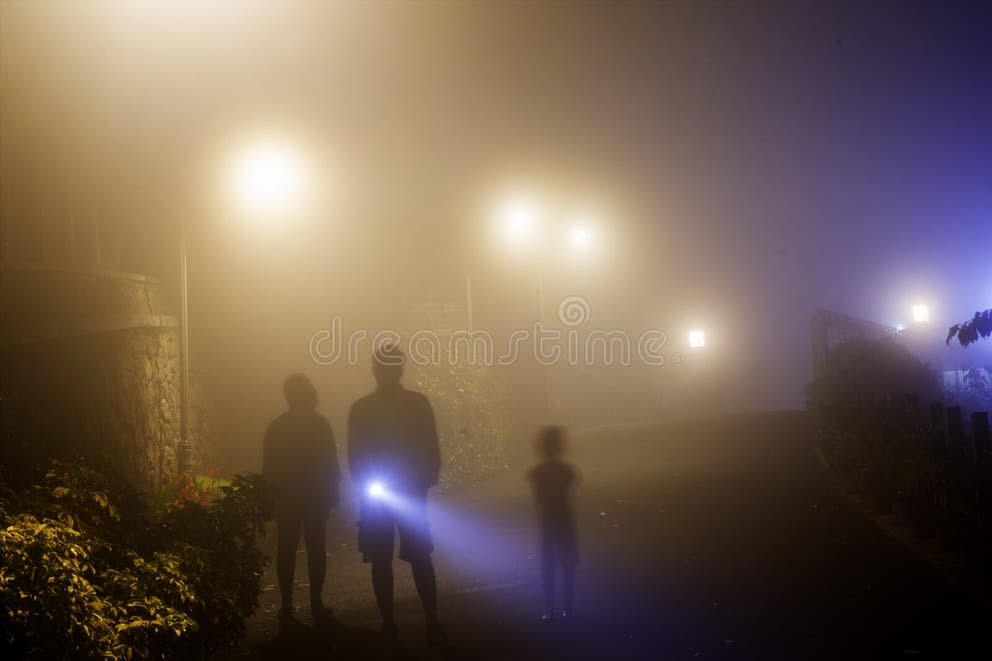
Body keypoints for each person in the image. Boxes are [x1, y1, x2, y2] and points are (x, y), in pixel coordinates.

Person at [347, 345, 446, 647]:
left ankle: (399, 623)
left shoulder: (362, 408)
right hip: (405, 488)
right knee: (413, 556)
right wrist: (427, 477)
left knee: (391, 557)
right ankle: (424, 620)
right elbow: (430, 444)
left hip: (391, 489)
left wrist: (363, 482)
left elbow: (355, 452)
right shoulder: (415, 403)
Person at [262, 373, 341, 625]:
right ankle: (315, 603)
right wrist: (332, 490)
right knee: (315, 549)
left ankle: (287, 605)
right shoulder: (319, 425)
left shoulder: (277, 427)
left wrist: (270, 496)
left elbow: (269, 467)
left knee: (287, 550)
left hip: (288, 497)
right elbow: (330, 461)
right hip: (314, 496)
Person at [527, 426, 579, 622]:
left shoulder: (537, 472)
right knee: (568, 564)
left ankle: (549, 608)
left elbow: (538, 498)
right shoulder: (567, 470)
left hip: (547, 520)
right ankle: (567, 607)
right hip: (565, 519)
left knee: (548, 565)